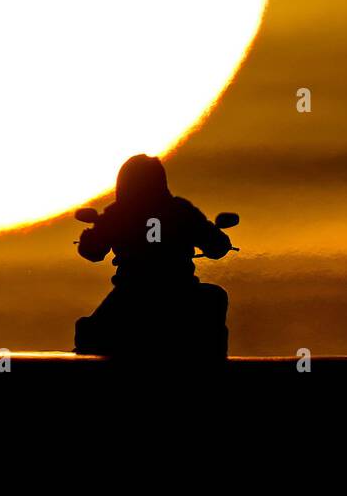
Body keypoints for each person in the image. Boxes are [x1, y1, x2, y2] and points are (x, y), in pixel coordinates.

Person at [74, 154, 233, 360]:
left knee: (87, 333)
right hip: (180, 292)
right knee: (215, 298)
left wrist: (91, 233)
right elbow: (217, 246)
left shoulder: (117, 214)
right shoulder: (181, 210)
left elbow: (92, 252)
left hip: (130, 295)